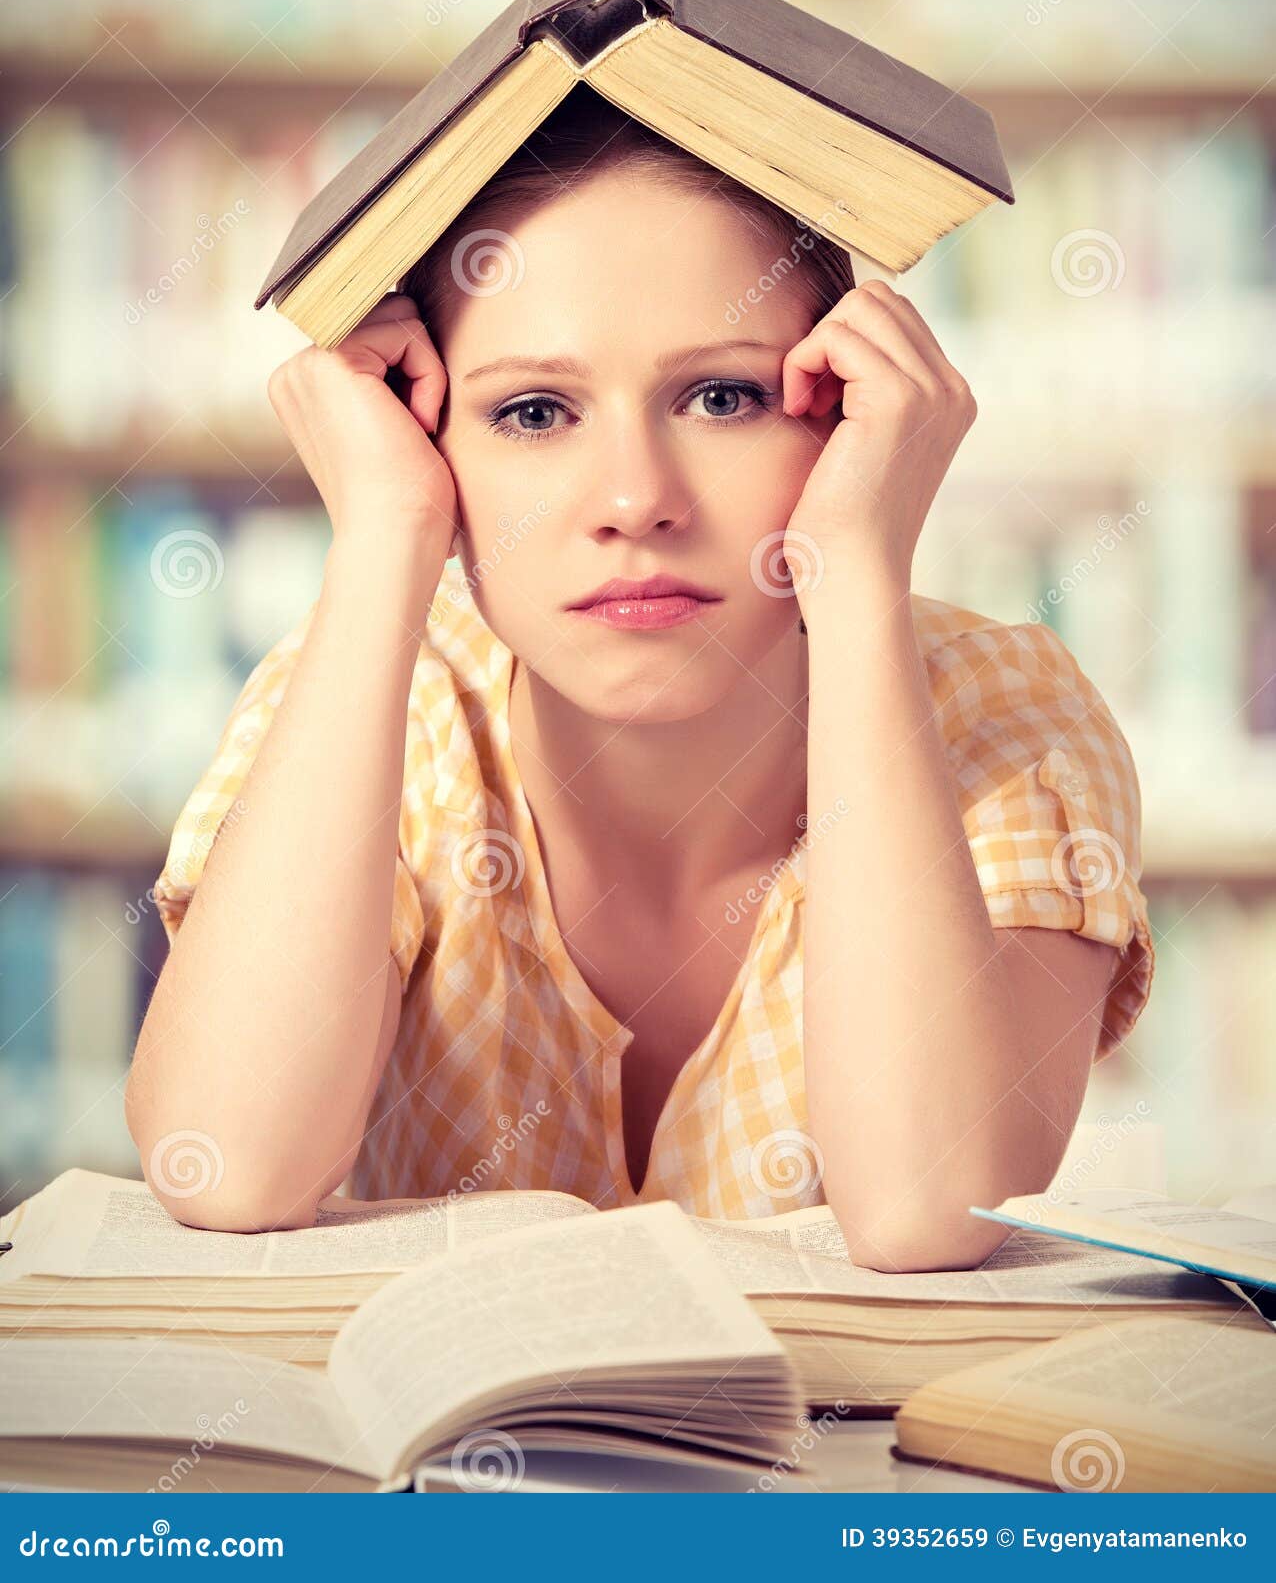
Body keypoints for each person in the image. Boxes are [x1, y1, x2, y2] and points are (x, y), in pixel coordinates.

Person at [125, 91, 1152, 1270]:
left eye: (722, 397)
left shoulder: (1006, 720)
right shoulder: (370, 699)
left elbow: (930, 1208)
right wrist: (381, 541)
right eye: (533, 411)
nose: (634, 499)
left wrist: (859, 573)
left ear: (842, 420)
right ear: (424, 438)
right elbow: (225, 1164)